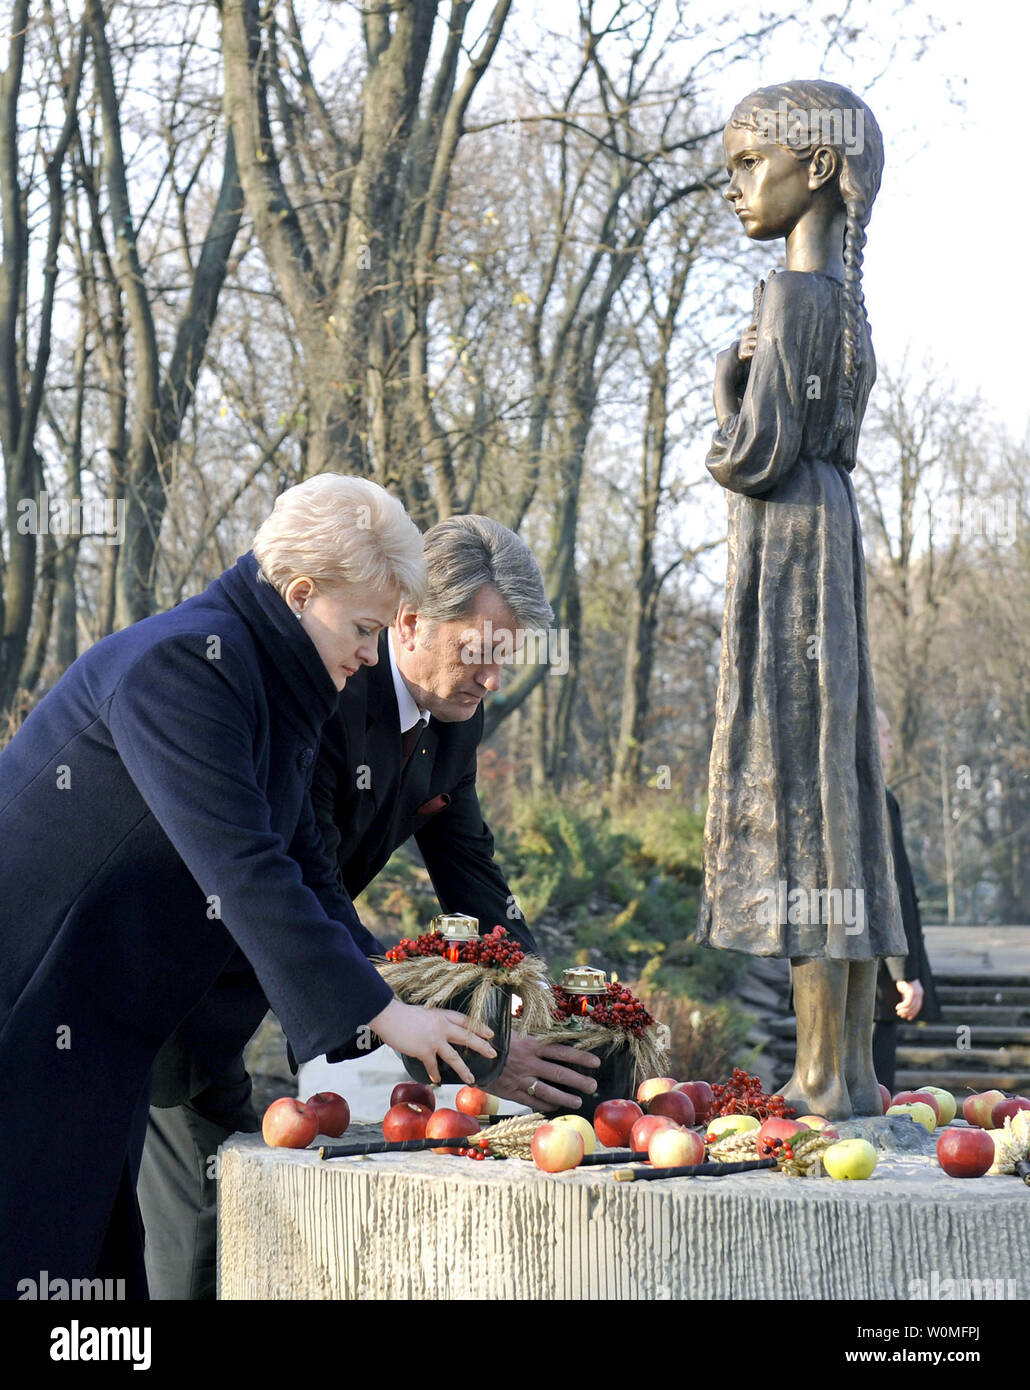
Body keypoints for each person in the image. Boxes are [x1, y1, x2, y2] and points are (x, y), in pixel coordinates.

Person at [0, 475, 496, 1301]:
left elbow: (305, 863)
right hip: (28, 1012)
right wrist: (378, 1010)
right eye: (366, 628)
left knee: (92, 1280)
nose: (373, 655)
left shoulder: (275, 685)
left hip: (100, 1030)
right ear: (302, 593)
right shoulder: (184, 667)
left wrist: (395, 989)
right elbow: (243, 867)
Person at [139, 514, 601, 1299]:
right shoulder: (324, 693)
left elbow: (470, 867)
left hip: (286, 970)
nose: (494, 681)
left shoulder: (456, 714)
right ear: (411, 618)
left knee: (245, 1217)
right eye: (479, 654)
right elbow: (307, 878)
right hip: (171, 977)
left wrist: (538, 1003)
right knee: (189, 1236)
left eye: (506, 660)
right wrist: (479, 1050)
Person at [695, 81, 907, 1120]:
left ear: (815, 166)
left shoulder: (789, 297)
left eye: (748, 163)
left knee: (803, 791)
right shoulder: (842, 304)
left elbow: (754, 453)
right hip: (823, 534)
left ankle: (822, 1074)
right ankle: (849, 1070)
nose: (733, 185)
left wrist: (723, 391)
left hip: (788, 548)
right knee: (833, 791)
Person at [873, 708, 941, 1090]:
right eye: (884, 733)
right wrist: (905, 973)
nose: (892, 742)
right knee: (873, 1093)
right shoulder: (875, 800)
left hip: (840, 979)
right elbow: (890, 888)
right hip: (877, 978)